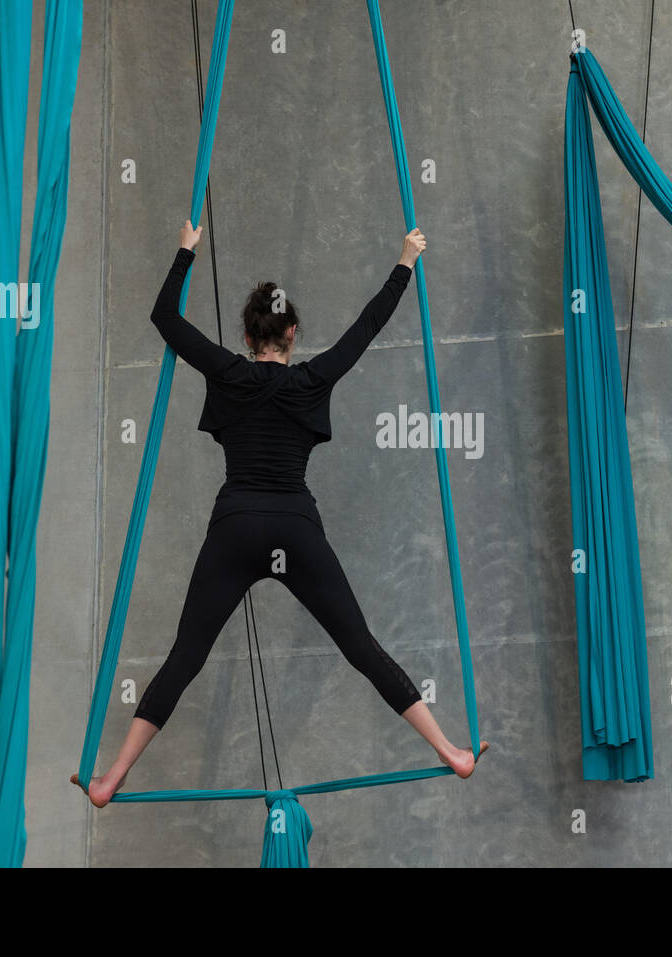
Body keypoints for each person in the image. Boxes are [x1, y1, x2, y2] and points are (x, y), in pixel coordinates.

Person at [73, 222, 486, 807]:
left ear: (247, 335)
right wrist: (405, 262)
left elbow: (164, 318)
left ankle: (112, 777)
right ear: (293, 333)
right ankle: (450, 751)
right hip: (295, 527)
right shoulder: (314, 378)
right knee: (361, 646)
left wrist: (185, 253)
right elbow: (367, 326)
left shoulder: (227, 370)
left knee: (184, 658)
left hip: (235, 526)